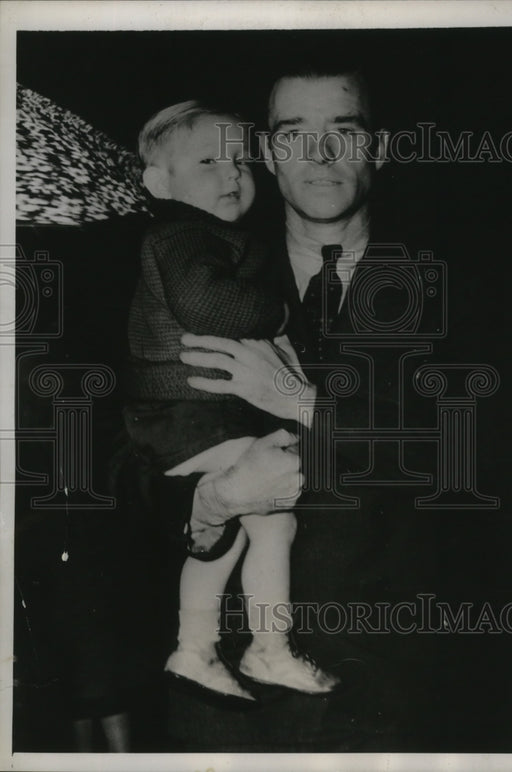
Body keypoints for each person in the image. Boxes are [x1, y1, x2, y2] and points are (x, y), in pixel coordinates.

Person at [171, 63, 441, 749]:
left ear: (378, 149)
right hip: (229, 705)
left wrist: (297, 400)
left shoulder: (460, 287)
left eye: (342, 132)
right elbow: (119, 470)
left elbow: (475, 472)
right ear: (266, 152)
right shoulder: (198, 278)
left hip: (390, 698)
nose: (318, 155)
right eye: (295, 134)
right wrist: (210, 509)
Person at [123, 100, 338, 704]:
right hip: (184, 414)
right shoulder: (179, 234)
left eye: (243, 159)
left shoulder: (215, 236)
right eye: (210, 159)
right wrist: (279, 312)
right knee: (271, 519)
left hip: (188, 418)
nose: (233, 173)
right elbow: (209, 308)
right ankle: (265, 649)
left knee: (242, 529)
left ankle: (195, 647)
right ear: (159, 182)